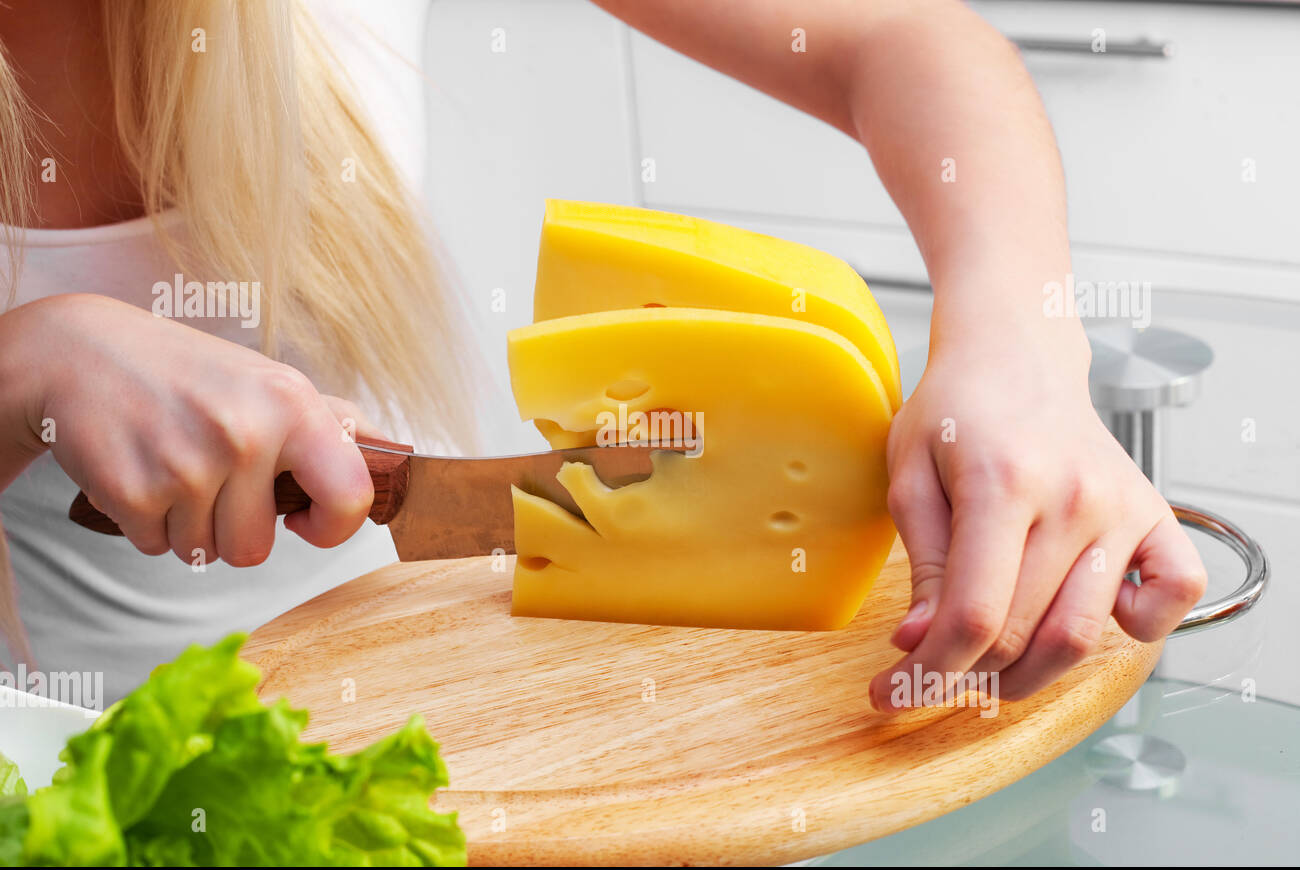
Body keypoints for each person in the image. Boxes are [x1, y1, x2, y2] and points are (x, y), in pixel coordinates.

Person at [0, 0, 1206, 707]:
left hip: (442, 702)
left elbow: (895, 36)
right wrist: (33, 366)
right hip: (86, 761)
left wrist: (1023, 337)